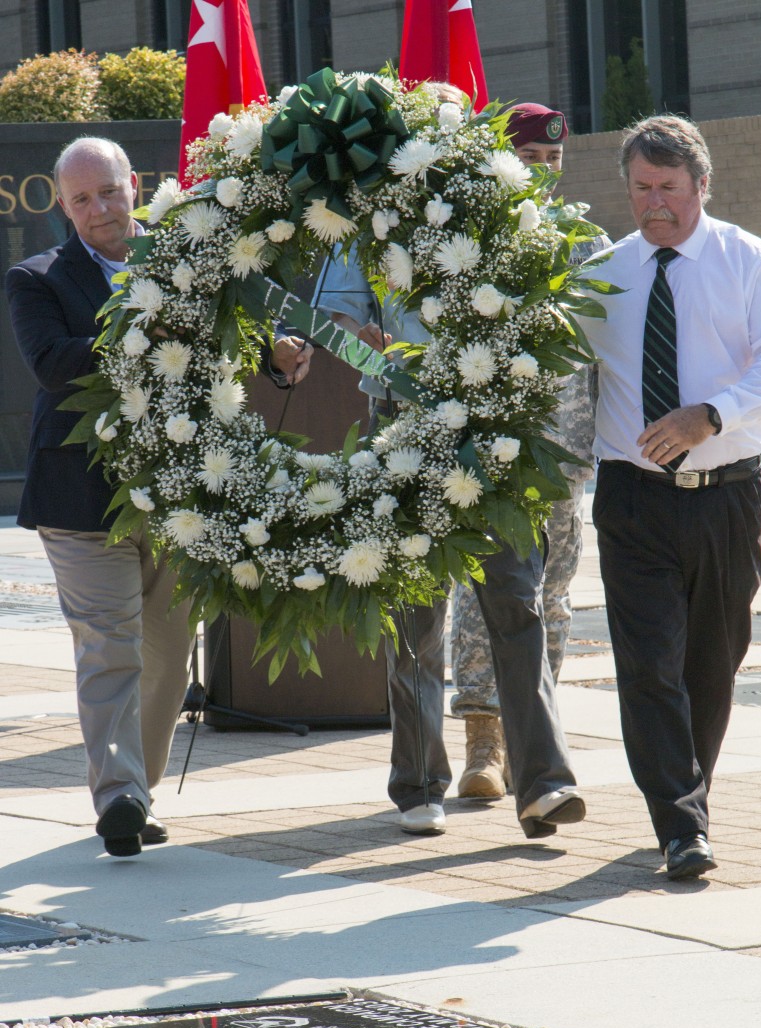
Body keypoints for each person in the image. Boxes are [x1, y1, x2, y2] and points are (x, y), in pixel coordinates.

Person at [5, 136, 311, 858]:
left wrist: (279, 352)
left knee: (169, 656)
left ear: (135, 185)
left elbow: (249, 327)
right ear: (62, 206)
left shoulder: (193, 257)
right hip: (80, 497)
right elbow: (53, 364)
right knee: (110, 646)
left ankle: (134, 788)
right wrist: (145, 329)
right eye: (82, 199)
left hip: (181, 490)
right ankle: (118, 797)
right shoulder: (35, 276)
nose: (99, 209)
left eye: (109, 191)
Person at [315, 95, 585, 841]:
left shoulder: (507, 211)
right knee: (416, 615)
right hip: (405, 427)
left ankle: (544, 783)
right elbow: (331, 322)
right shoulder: (373, 219)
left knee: (516, 601)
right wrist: (369, 344)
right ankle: (419, 783)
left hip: (502, 431)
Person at [580, 114, 761, 880]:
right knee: (647, 664)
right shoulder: (602, 275)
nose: (654, 205)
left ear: (701, 185)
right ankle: (680, 821)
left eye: (669, 188)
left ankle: (689, 793)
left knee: (712, 663)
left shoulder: (750, 262)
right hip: (632, 499)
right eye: (641, 189)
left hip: (726, 497)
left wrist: (711, 413)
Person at [451, 103, 609, 801]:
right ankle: (483, 737)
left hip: (566, 454)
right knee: (483, 592)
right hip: (490, 455)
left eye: (553, 162)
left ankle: (533, 731)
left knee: (553, 595)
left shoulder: (589, 243)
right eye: (531, 161)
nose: (544, 175)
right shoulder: (470, 241)